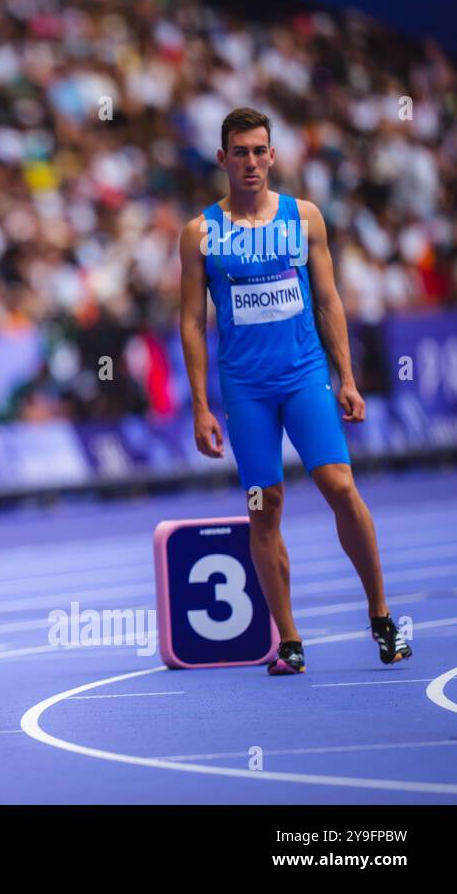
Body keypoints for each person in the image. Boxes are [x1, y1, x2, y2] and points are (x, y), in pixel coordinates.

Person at [179, 108, 412, 675]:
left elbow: (329, 301)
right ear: (222, 159)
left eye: (260, 151)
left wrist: (347, 378)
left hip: (305, 377)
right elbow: (191, 322)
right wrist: (201, 406)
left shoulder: (304, 218)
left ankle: (381, 615)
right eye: (240, 152)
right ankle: (290, 641)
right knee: (265, 509)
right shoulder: (200, 233)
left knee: (338, 484)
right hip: (246, 392)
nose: (251, 162)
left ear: (273, 156)